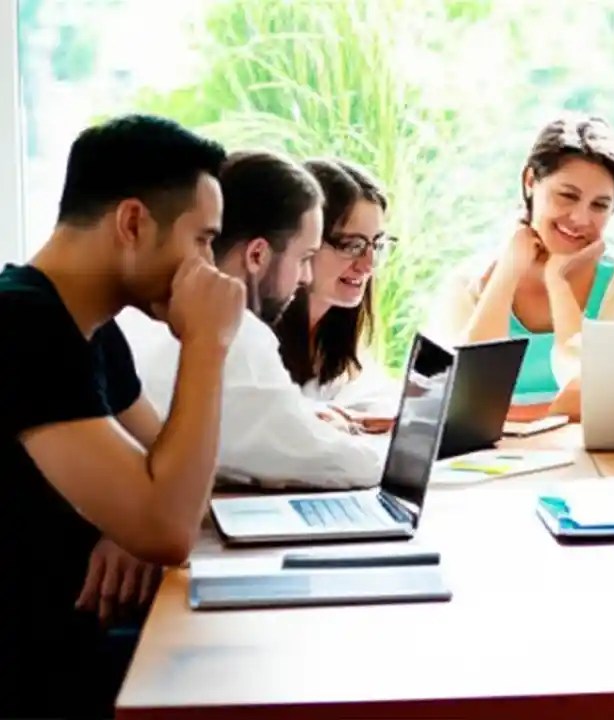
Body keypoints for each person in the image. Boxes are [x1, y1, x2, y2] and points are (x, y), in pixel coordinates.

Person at [0, 114, 242, 717]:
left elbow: (176, 490)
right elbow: (169, 527)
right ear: (133, 221)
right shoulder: (21, 326)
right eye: (203, 240)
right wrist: (206, 343)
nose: (210, 267)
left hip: (67, 653)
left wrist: (122, 520)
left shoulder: (92, 333)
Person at [119, 150, 385, 490]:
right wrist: (387, 454)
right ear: (257, 254)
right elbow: (342, 465)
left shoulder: (136, 320)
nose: (305, 276)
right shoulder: (237, 335)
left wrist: (308, 417)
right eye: (304, 257)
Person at [431, 114, 614, 419]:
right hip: (491, 462)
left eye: (600, 205)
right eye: (567, 196)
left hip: (586, 460)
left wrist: (558, 281)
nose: (580, 218)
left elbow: (596, 399)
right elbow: (468, 402)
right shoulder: (467, 286)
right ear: (530, 182)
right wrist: (508, 272)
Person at [274, 158, 400, 416]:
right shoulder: (254, 339)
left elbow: (379, 397)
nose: (368, 265)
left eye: (376, 245)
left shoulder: (333, 334)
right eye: (352, 245)